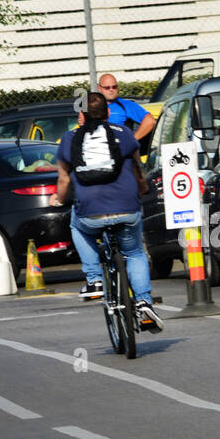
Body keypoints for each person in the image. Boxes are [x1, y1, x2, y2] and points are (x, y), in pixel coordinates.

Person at [56, 90, 163, 330]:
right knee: (134, 252)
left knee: (76, 224)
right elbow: (136, 167)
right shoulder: (123, 133)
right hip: (126, 207)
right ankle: (144, 302)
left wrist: (60, 198)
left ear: (81, 115)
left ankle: (94, 279)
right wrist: (143, 188)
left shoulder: (69, 138)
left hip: (90, 213)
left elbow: (63, 180)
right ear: (107, 112)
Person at [96, 74, 155, 144]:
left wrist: (131, 141)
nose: (111, 90)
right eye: (107, 87)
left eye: (114, 87)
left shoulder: (126, 105)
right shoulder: (92, 105)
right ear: (99, 88)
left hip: (118, 150)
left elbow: (150, 121)